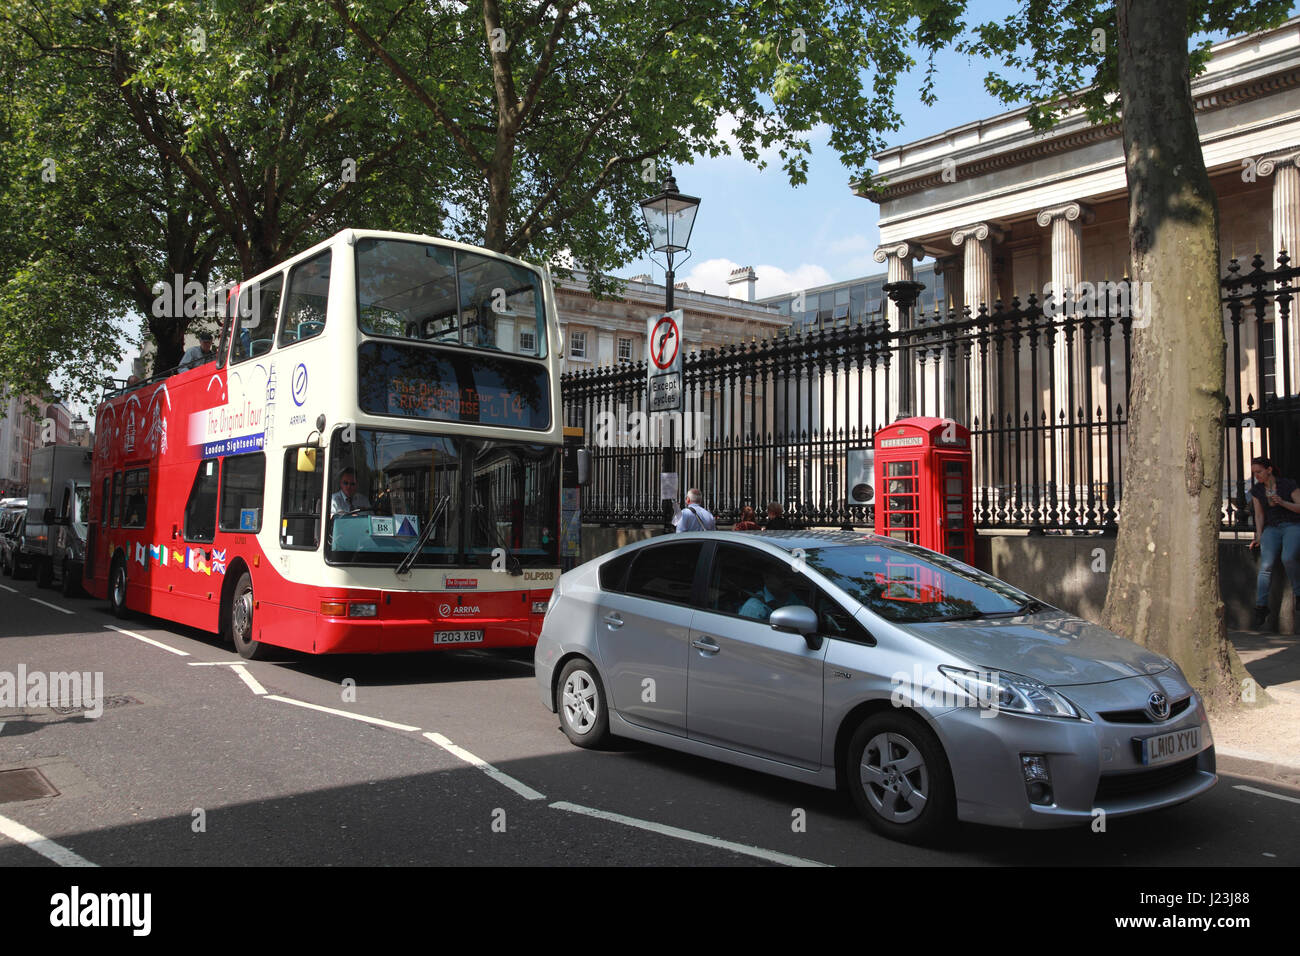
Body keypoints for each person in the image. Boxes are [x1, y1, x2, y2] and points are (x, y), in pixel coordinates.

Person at [1248, 456, 1300, 626]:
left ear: (1269, 470)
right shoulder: (1257, 490)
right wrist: (1259, 535)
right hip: (1272, 527)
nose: (1257, 476)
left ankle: (1298, 594)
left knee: (1288, 557)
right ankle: (1261, 606)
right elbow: (1259, 514)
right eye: (1254, 473)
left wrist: (1282, 502)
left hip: (1291, 524)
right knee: (1265, 566)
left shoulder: (1287, 485)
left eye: (1259, 472)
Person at [738, 565, 808, 623]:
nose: (787, 580)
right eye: (781, 576)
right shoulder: (754, 608)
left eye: (789, 575)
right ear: (767, 577)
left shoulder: (795, 599)